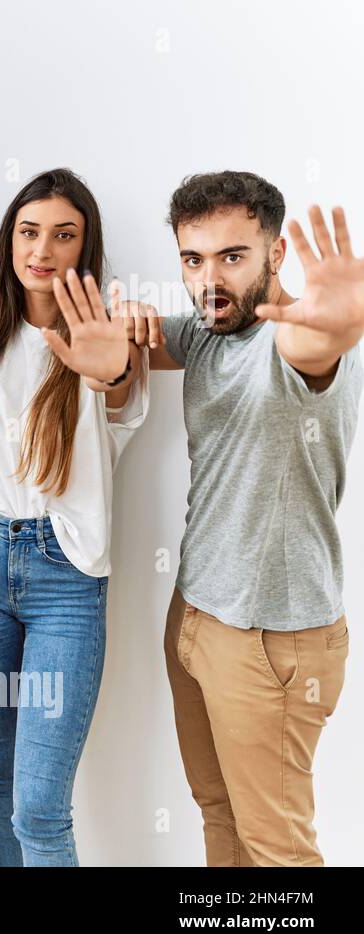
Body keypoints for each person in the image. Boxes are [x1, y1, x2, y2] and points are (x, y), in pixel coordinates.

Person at [0, 168, 150, 866]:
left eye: (63, 235)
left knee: (39, 807)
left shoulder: (108, 335)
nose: (42, 248)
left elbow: (122, 394)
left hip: (65, 575)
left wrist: (111, 368)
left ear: (85, 249)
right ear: (9, 242)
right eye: (29, 231)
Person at [123, 172, 362, 866]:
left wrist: (340, 329)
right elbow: (130, 340)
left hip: (271, 642)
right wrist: (127, 322)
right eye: (193, 260)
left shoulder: (299, 341)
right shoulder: (208, 333)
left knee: (278, 852)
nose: (210, 281)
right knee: (220, 817)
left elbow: (313, 352)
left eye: (233, 256)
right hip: (196, 615)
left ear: (276, 253)